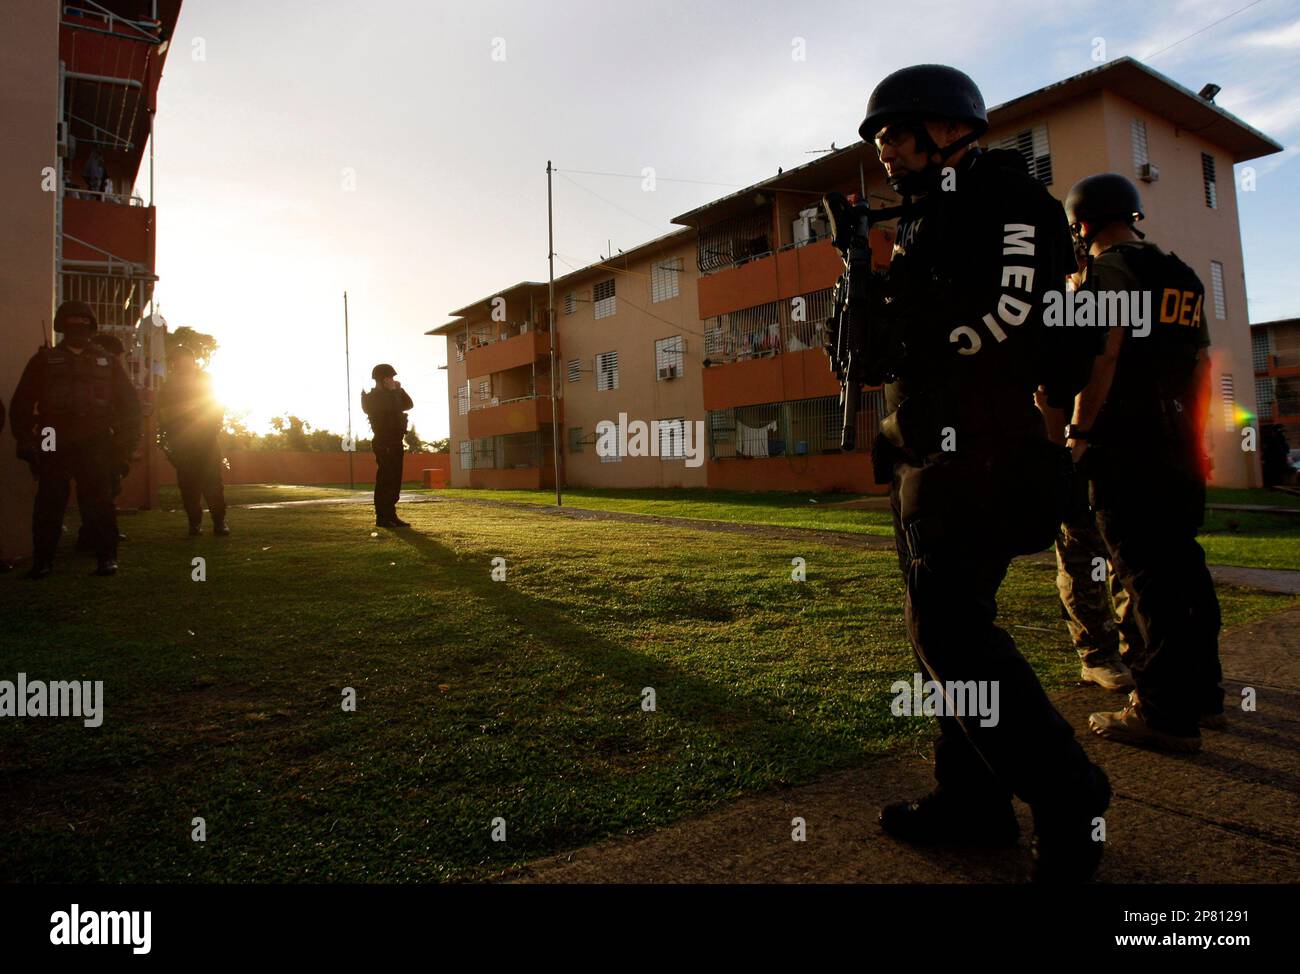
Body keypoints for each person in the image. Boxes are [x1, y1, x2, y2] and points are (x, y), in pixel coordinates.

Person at [860, 64, 1110, 882]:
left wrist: (920, 365)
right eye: (878, 137)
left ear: (947, 127)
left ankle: (1069, 795)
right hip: (927, 452)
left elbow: (1010, 316)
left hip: (984, 449)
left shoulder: (1008, 201)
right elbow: (918, 327)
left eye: (895, 132)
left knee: (951, 631)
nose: (883, 150)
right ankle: (971, 800)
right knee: (937, 629)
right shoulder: (932, 216)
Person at [1062, 173, 1224, 753]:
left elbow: (1100, 359)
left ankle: (1161, 713)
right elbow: (1202, 364)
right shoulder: (1180, 273)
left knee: (1146, 578)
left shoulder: (1105, 274)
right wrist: (1196, 435)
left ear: (1082, 225)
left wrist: (1079, 433)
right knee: (1186, 570)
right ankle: (1204, 696)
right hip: (1179, 438)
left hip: (1127, 442)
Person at [10, 300, 141, 577]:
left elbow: (130, 407)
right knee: (49, 500)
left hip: (96, 438)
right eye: (73, 323)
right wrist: (25, 440)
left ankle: (106, 557)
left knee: (99, 502)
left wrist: (124, 448)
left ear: (91, 327)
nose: (78, 328)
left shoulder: (107, 362)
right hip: (51, 436)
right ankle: (43, 561)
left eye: (83, 323)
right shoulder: (43, 360)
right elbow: (22, 404)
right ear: (62, 326)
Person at [157, 346, 229, 536]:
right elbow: (163, 412)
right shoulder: (169, 384)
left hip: (206, 440)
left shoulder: (204, 380)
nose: (181, 363)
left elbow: (216, 406)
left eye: (185, 359)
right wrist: (169, 436)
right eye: (178, 360)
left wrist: (213, 428)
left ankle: (219, 522)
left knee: (213, 484)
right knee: (188, 486)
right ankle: (194, 524)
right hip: (183, 442)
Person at [75, 333, 131, 552]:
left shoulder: (109, 374)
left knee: (106, 491)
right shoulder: (97, 376)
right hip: (96, 443)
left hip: (109, 442)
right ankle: (92, 537)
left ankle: (98, 534)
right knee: (98, 493)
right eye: (116, 356)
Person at [361, 364, 412, 528]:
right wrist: (394, 392)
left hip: (395, 441)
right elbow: (393, 407)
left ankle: (391, 515)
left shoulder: (391, 395)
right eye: (391, 378)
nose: (393, 381)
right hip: (385, 442)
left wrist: (399, 390)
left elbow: (409, 404)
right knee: (386, 480)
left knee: (395, 480)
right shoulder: (373, 398)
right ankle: (382, 517)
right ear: (384, 379)